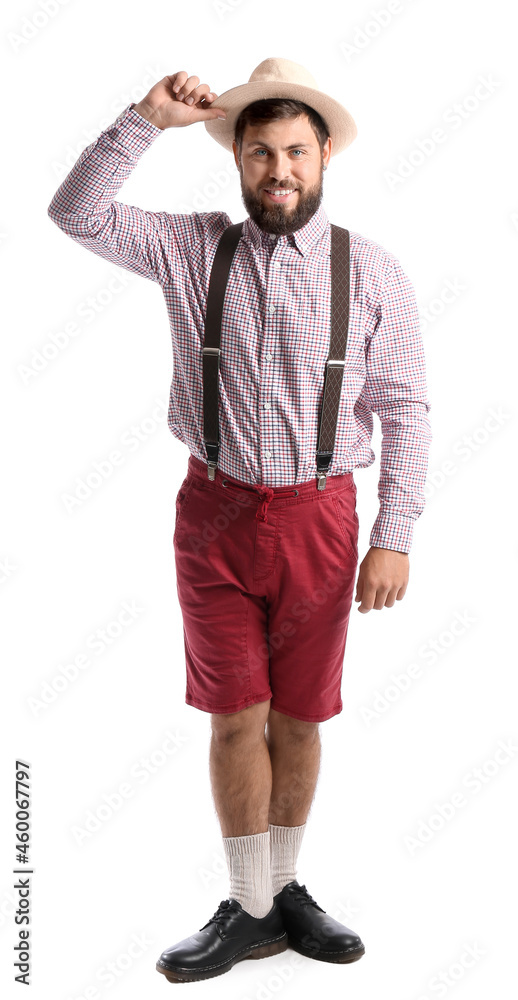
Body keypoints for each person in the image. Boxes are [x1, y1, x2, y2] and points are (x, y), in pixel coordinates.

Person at [48, 57, 432, 985]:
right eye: (260, 152)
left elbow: (405, 405)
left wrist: (396, 532)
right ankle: (250, 908)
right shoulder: (193, 251)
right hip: (214, 514)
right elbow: (76, 213)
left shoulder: (371, 271)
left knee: (299, 721)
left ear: (325, 153)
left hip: (322, 519)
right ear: (238, 161)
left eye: (295, 151)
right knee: (234, 718)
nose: (279, 171)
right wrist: (142, 120)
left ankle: (287, 890)